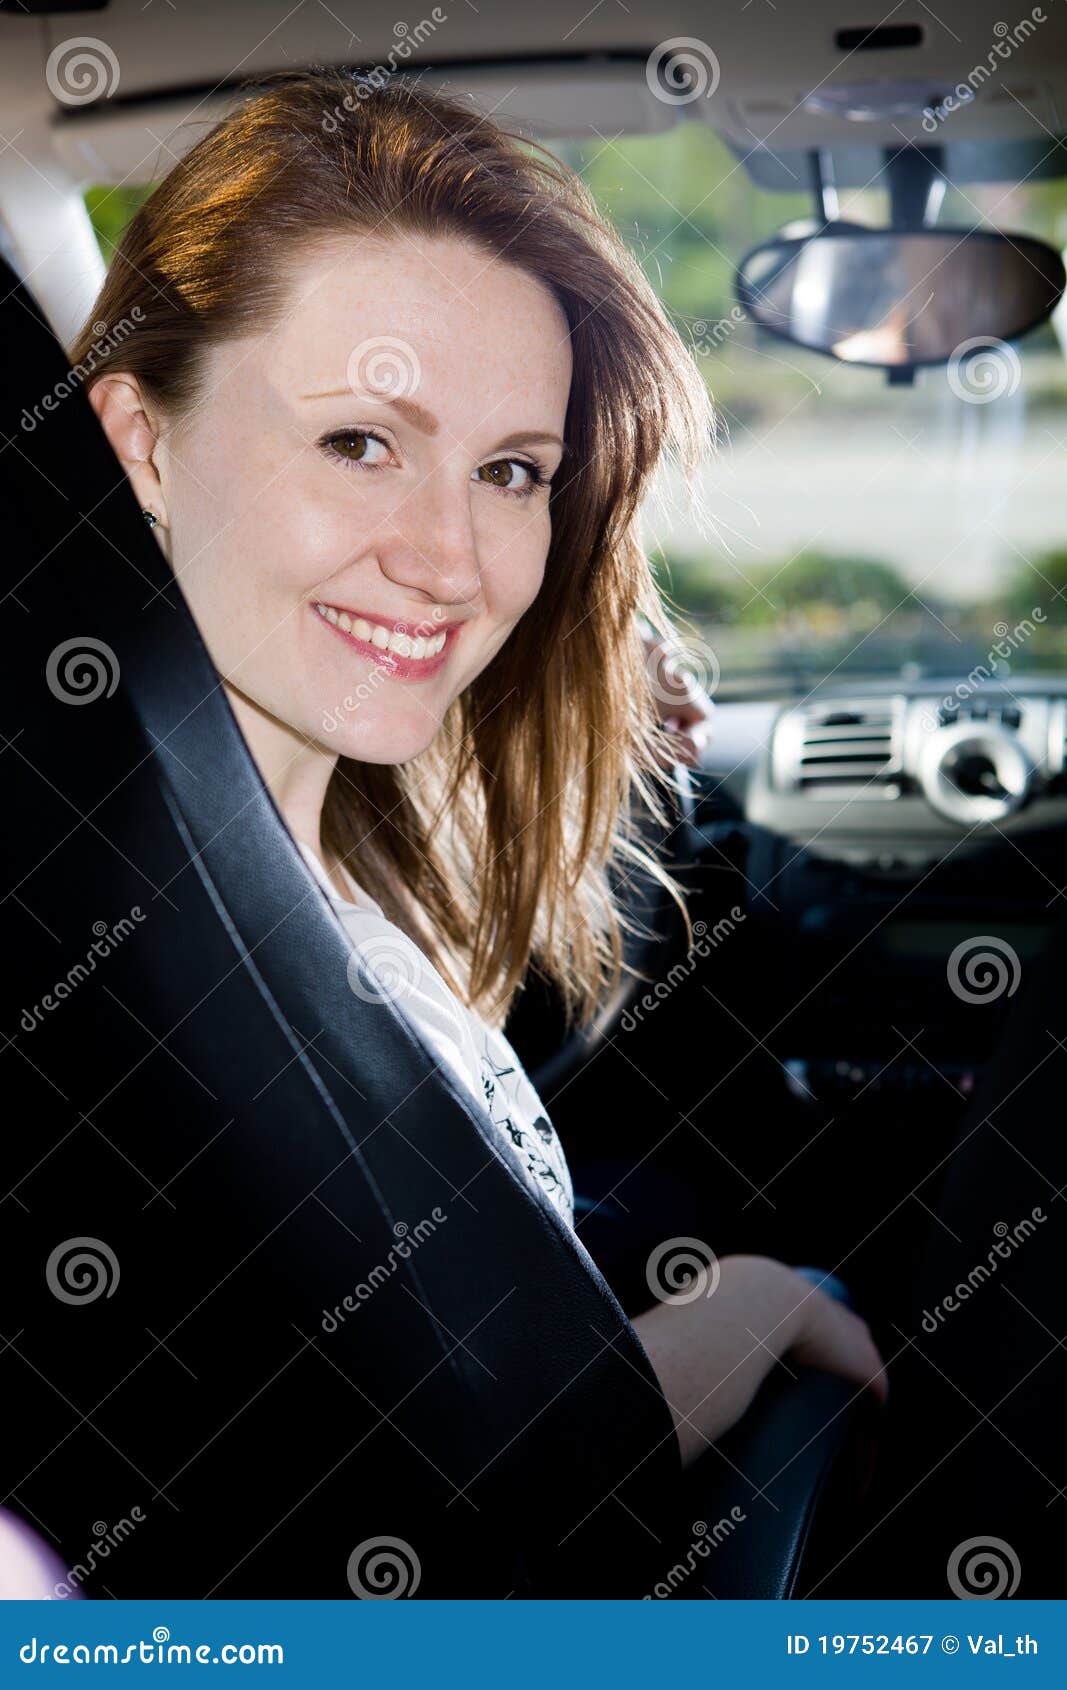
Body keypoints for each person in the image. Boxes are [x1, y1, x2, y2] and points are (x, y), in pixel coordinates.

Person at [75, 69, 885, 1469]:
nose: (452, 564)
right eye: (358, 442)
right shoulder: (129, 954)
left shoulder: (295, 835)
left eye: (513, 471)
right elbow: (503, 1472)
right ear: (143, 442)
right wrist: (755, 1306)